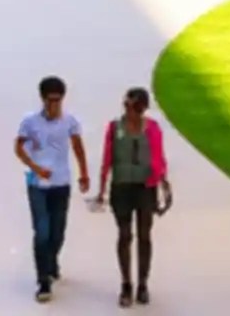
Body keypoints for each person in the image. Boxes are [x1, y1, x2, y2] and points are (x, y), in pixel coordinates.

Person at [14, 76, 90, 303]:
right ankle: (43, 279)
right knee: (42, 230)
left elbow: (78, 147)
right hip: (38, 184)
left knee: (58, 231)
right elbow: (18, 148)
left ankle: (51, 261)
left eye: (57, 101)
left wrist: (84, 173)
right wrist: (35, 167)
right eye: (49, 101)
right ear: (42, 99)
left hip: (61, 183)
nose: (53, 106)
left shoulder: (70, 122)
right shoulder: (30, 122)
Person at [94, 87, 169, 308]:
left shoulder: (152, 129)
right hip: (122, 187)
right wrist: (102, 188)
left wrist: (163, 181)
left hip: (145, 187)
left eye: (135, 107)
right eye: (127, 106)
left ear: (143, 108)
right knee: (125, 234)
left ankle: (143, 283)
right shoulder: (115, 128)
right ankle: (126, 282)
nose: (131, 112)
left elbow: (159, 156)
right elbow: (107, 158)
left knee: (144, 235)